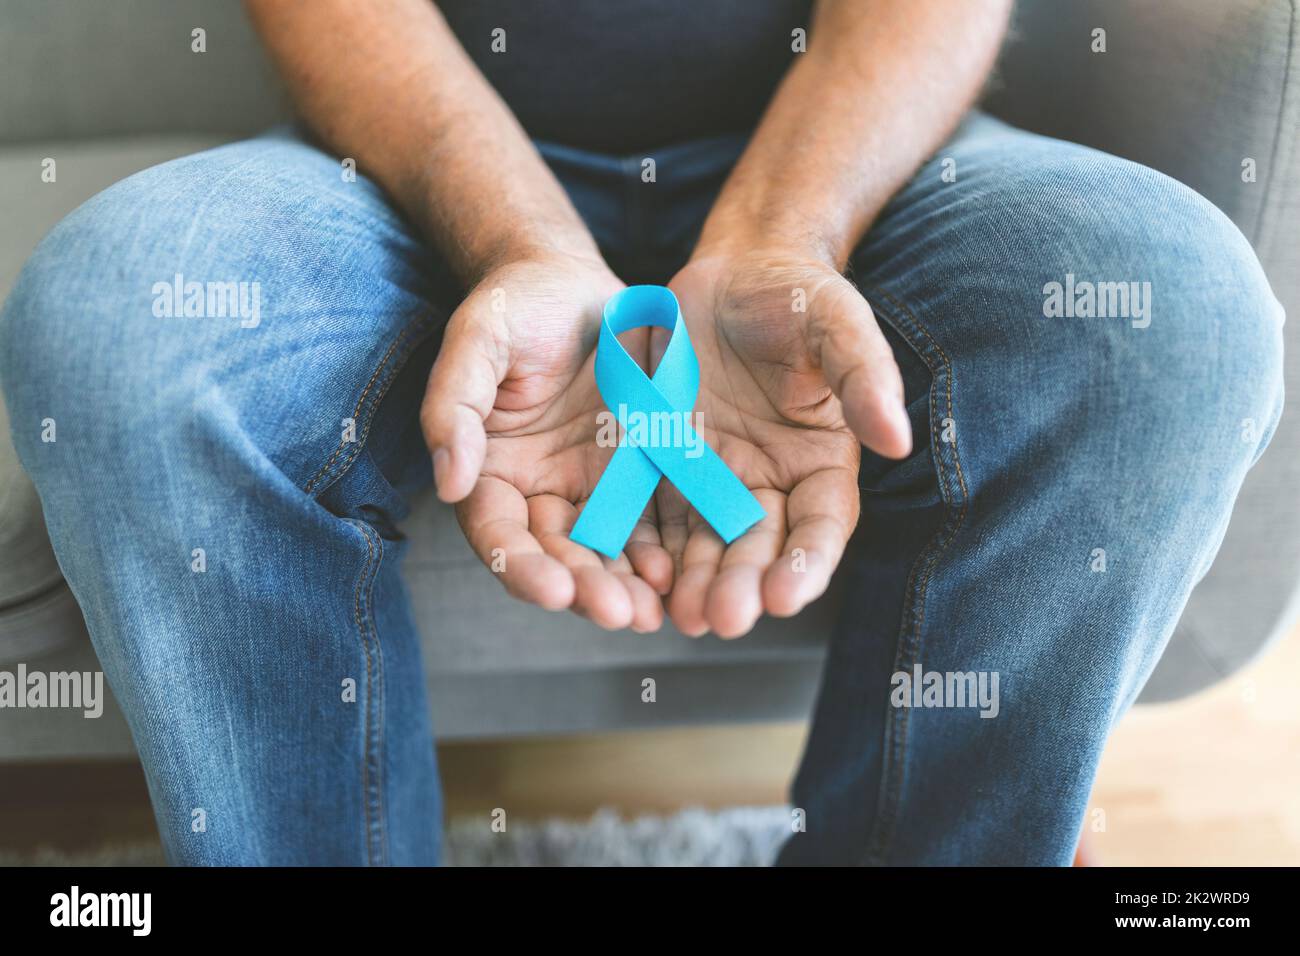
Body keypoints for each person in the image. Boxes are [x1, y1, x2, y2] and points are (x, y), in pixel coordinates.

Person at [0, 0, 1283, 865]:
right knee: (120, 313)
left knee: (1176, 311)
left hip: (849, 158)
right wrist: (523, 241)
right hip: (412, 164)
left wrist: (781, 238)